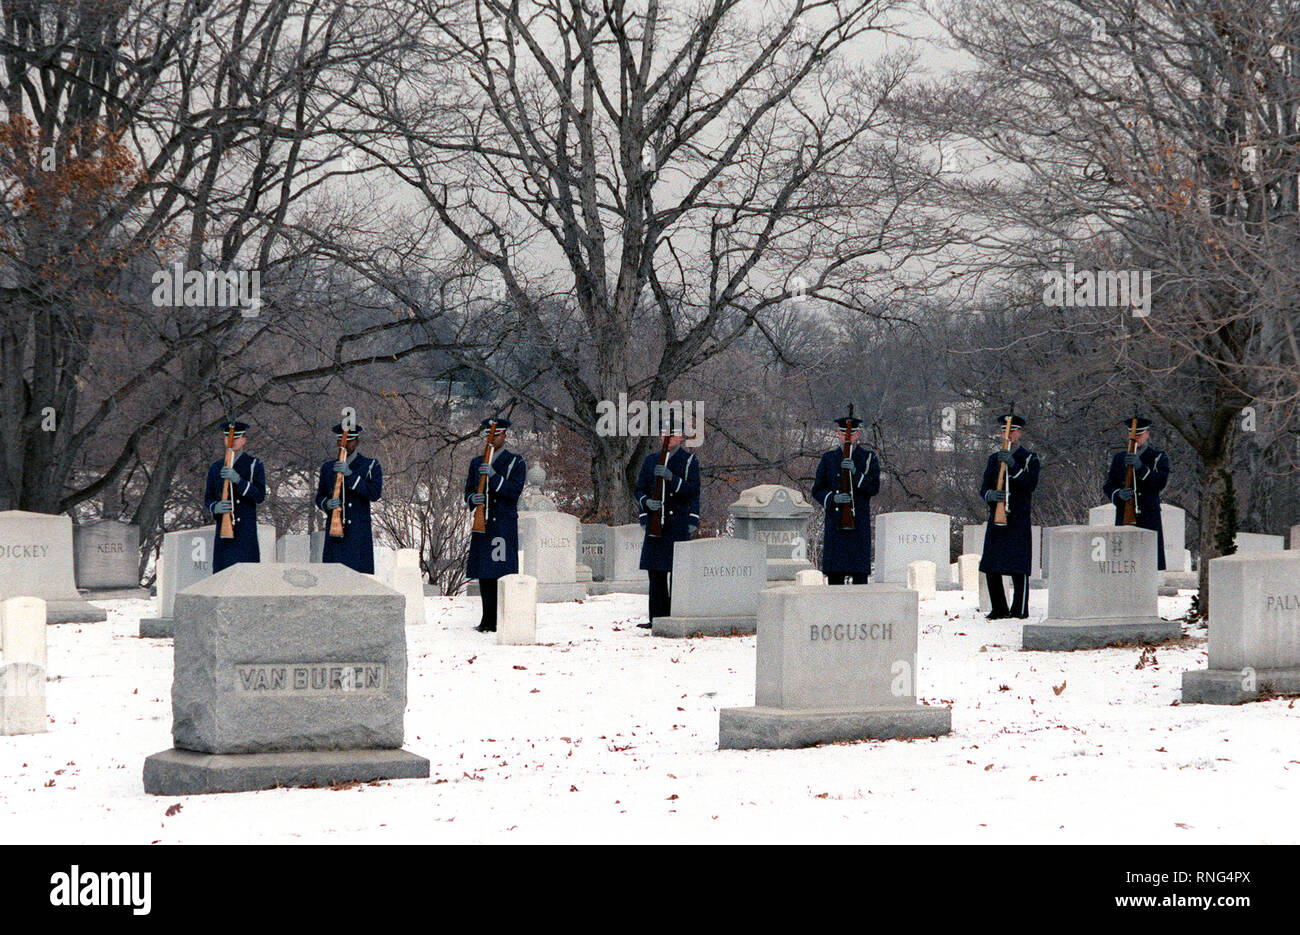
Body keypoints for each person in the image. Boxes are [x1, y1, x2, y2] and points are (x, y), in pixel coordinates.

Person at [633, 418, 701, 629]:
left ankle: (674, 615)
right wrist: (646, 505)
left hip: (676, 522)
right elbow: (639, 489)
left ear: (680, 437)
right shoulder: (651, 460)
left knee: (677, 572)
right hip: (656, 522)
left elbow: (693, 491)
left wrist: (673, 479)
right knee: (656, 572)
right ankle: (657, 618)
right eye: (663, 433)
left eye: (671, 433)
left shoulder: (689, 461)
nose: (667, 437)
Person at [463, 418, 526, 632]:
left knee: (502, 572)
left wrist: (494, 477)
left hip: (503, 526)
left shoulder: (515, 462)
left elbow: (513, 492)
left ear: (504, 435)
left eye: (496, 435)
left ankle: (501, 619)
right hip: (484, 524)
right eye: (489, 436)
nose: (492, 439)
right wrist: (474, 499)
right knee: (485, 572)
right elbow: (468, 492)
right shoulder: (476, 463)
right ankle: (487, 619)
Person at [979, 414, 1039, 619]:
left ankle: (1020, 609)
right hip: (997, 516)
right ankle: (999, 608)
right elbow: (984, 487)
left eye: (1012, 431)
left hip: (1018, 519)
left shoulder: (1030, 458)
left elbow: (1029, 485)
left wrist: (1013, 465)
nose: (1008, 434)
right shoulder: (993, 459)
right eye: (1004, 431)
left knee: (1019, 566)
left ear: (1019, 433)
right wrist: (991, 496)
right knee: (991, 564)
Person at [810, 411, 881, 584]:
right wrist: (833, 498)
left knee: (859, 576)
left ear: (857, 434)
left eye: (850, 433)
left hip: (858, 523)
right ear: (838, 434)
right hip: (836, 523)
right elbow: (817, 489)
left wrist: (855, 473)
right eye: (843, 433)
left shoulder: (868, 458)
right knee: (835, 575)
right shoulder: (828, 458)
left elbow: (873, 488)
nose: (846, 437)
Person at [1102, 415, 1171, 570]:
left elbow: (1159, 483)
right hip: (1125, 514)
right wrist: (1118, 495)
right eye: (1133, 434)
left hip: (1148, 514)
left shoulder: (1157, 457)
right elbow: (1108, 485)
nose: (1136, 438)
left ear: (1147, 434)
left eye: (1140, 434)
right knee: (1125, 560)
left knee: (1149, 561)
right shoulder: (1119, 458)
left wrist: (1141, 468)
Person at [315, 422, 383, 573]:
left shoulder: (370, 465)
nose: (344, 444)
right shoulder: (328, 468)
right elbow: (319, 497)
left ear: (357, 442)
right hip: (336, 533)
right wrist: (327, 504)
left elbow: (374, 493)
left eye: (349, 440)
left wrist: (351, 476)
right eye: (341, 440)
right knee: (334, 575)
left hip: (358, 532)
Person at [203, 420, 267, 573]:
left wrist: (238, 480)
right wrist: (215, 507)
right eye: (228, 438)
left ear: (244, 440)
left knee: (246, 575)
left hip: (245, 531)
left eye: (236, 438)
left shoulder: (254, 464)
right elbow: (208, 497)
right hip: (224, 534)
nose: (232, 441)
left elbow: (259, 495)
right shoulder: (216, 467)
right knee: (221, 573)